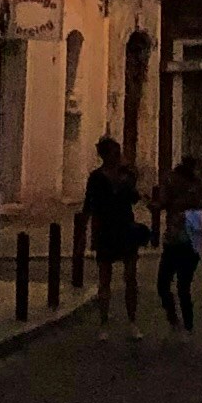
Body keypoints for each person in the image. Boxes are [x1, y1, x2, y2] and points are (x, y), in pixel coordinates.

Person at [80, 134, 144, 330]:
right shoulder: (96, 178)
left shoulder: (126, 176)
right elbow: (89, 205)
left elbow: (134, 198)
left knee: (131, 277)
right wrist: (86, 232)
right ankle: (104, 322)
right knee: (104, 278)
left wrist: (128, 180)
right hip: (106, 230)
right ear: (105, 155)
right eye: (115, 153)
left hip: (125, 227)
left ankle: (132, 321)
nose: (118, 156)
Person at [155, 158, 202, 332]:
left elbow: (161, 203)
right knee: (183, 285)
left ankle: (176, 320)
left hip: (177, 240)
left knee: (165, 283)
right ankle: (186, 323)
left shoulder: (173, 182)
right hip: (190, 240)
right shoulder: (197, 185)